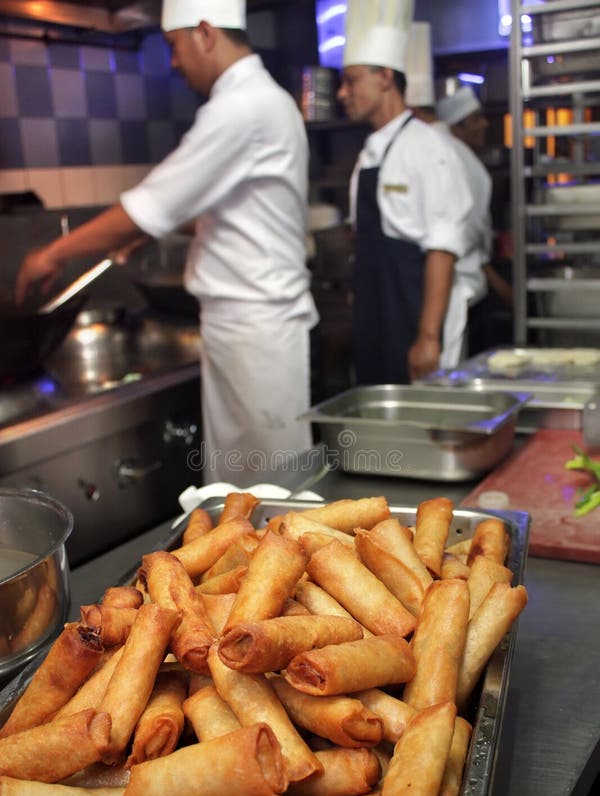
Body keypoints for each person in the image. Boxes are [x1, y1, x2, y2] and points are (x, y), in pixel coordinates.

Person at [15, 0, 318, 484]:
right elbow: (226, 213)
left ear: (204, 32)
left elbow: (143, 207)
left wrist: (50, 254)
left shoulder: (242, 108)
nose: (174, 63)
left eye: (174, 47)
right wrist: (153, 227)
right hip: (249, 329)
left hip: (254, 332)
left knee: (265, 495)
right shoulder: (265, 100)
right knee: (246, 495)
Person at [337, 0, 473, 386]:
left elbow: (442, 248)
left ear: (384, 76)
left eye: (352, 80)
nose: (344, 93)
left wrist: (428, 336)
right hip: (376, 316)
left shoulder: (429, 148)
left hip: (412, 318)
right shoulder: (367, 155)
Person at [406, 26, 491, 365]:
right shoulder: (449, 154)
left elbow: (455, 238)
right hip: (461, 290)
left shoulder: (445, 154)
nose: (484, 126)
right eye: (476, 120)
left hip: (456, 291)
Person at [437, 85, 513, 356]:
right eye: (476, 119)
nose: (484, 125)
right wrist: (499, 283)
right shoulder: (458, 160)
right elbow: (466, 238)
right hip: (465, 286)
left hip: (469, 283)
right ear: (457, 126)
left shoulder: (458, 155)